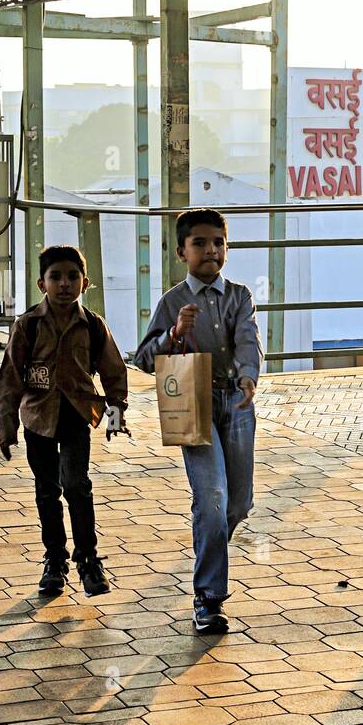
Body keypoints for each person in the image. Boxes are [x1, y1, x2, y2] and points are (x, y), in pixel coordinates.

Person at [133, 209, 262, 635]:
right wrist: (173, 333)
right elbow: (143, 358)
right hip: (194, 403)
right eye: (200, 244)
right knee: (210, 499)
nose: (211, 251)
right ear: (181, 252)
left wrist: (247, 376)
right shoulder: (171, 302)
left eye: (218, 243)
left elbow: (249, 339)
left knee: (238, 502)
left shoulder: (240, 295)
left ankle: (208, 550)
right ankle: (208, 599)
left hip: (237, 405)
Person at [0, 245, 130, 598]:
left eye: (72, 277)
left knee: (77, 486)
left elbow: (114, 372)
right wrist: (6, 427)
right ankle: (55, 560)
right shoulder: (28, 326)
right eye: (56, 277)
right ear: (42, 283)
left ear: (85, 283)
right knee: (47, 491)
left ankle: (88, 560)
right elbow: (10, 379)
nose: (64, 284)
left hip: (75, 417)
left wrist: (116, 413)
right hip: (37, 419)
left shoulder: (93, 326)